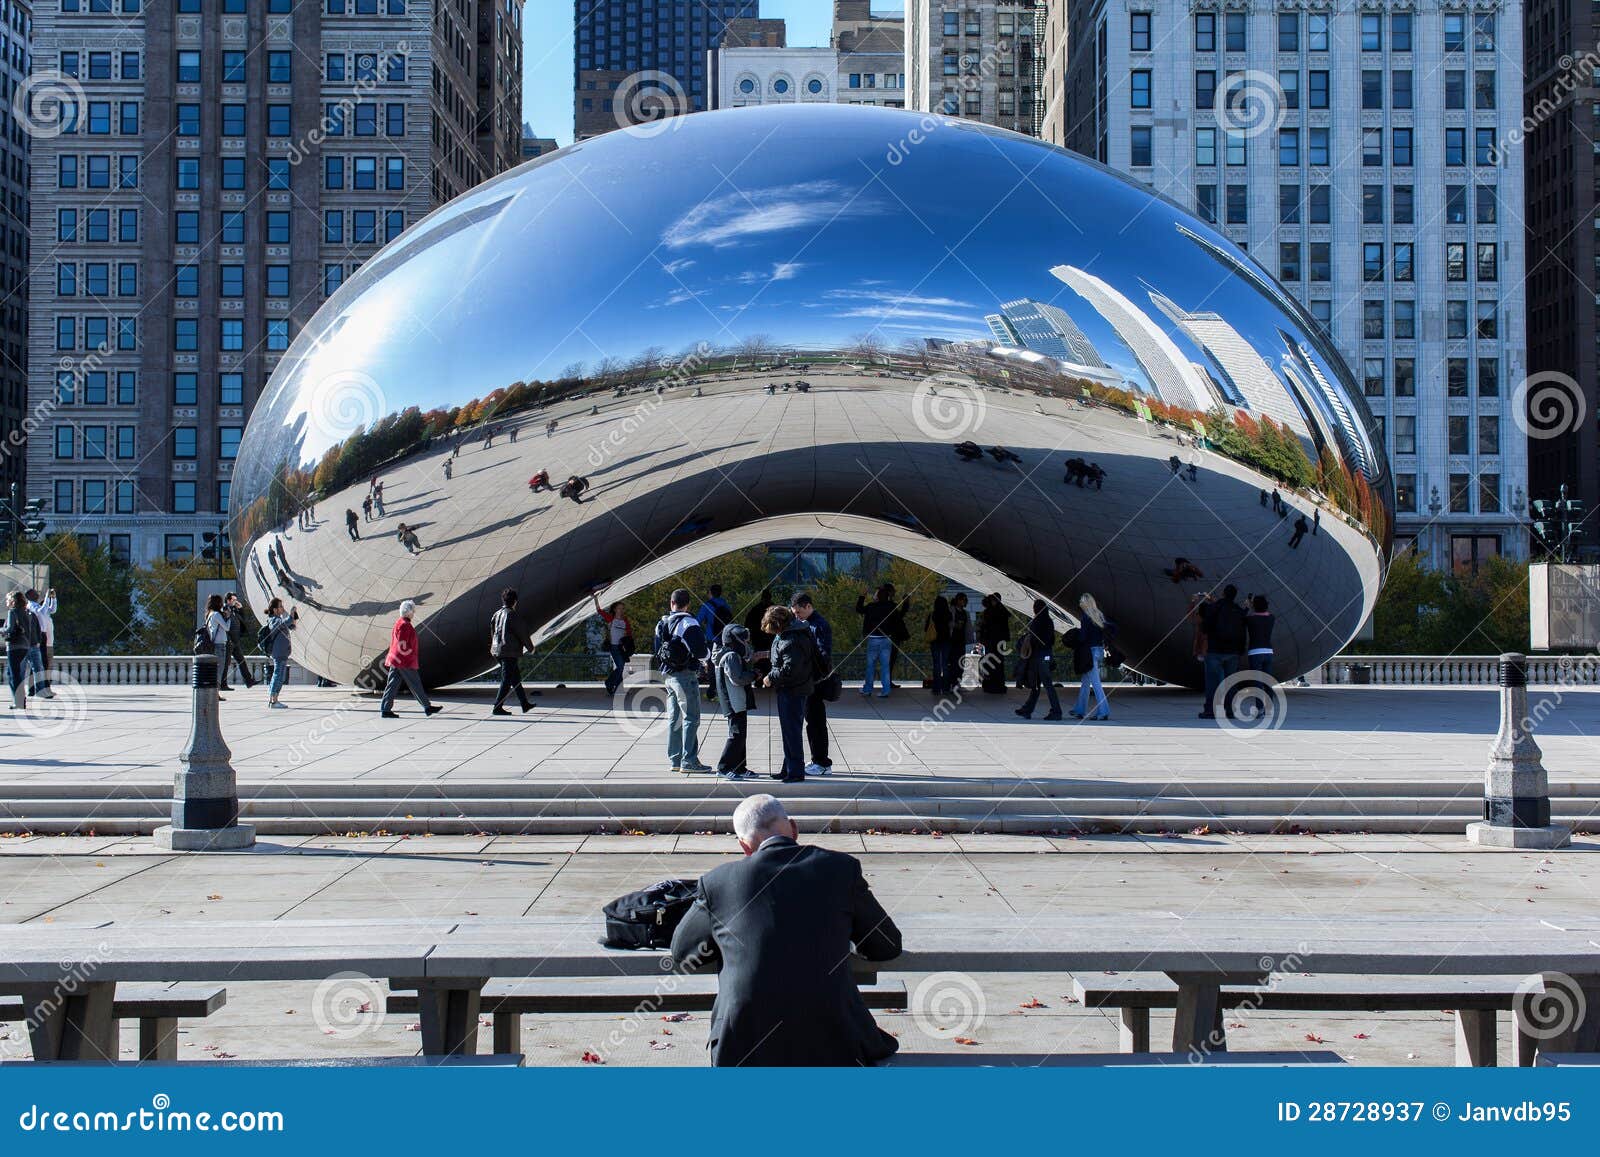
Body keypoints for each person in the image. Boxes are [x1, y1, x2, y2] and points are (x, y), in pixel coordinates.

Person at [668, 795, 902, 1067]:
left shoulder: (718, 882)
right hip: (836, 1043)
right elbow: (886, 944)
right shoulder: (840, 869)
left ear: (744, 846)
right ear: (794, 828)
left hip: (741, 1048)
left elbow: (682, 953)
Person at [654, 588, 710, 774]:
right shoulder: (689, 623)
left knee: (674, 718)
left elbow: (657, 650)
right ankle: (690, 761)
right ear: (688, 604)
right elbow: (701, 652)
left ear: (671, 603)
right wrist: (707, 657)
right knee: (691, 718)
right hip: (685, 675)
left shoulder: (662, 622)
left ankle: (675, 759)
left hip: (668, 676)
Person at [762, 605, 816, 783]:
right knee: (789, 731)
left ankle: (795, 771)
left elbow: (790, 669)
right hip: (792, 688)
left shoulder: (791, 639)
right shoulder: (790, 634)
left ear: (779, 623)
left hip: (792, 689)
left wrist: (770, 677)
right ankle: (788, 768)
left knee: (791, 731)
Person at [791, 592, 833, 777]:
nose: (797, 616)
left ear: (808, 606)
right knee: (812, 722)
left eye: (799, 612)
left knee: (816, 721)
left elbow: (823, 656)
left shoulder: (818, 626)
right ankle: (818, 759)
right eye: (795, 613)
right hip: (810, 680)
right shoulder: (809, 624)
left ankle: (822, 762)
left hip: (814, 681)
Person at [711, 624, 759, 780]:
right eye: (744, 641)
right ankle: (724, 767)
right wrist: (753, 675)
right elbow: (737, 678)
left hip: (737, 701)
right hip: (734, 702)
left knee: (741, 735)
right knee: (736, 735)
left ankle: (739, 767)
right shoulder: (731, 656)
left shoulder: (729, 653)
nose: (746, 644)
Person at [379, 600, 442, 718]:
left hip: (396, 659)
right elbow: (403, 644)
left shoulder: (399, 622)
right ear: (409, 612)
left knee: (392, 685)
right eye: (413, 611)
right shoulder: (405, 625)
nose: (414, 613)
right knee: (415, 683)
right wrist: (409, 656)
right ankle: (427, 707)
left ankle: (385, 709)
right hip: (403, 660)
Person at [1197, 586, 1247, 719]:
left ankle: (1210, 711)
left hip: (1215, 650)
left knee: (1212, 682)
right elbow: (1243, 632)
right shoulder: (1238, 610)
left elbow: (1205, 627)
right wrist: (1240, 650)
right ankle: (1230, 711)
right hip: (1232, 652)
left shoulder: (1214, 607)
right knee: (1230, 683)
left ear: (1223, 594)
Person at [488, 588, 536, 716]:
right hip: (509, 651)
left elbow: (493, 632)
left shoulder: (496, 614)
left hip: (497, 650)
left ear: (503, 600)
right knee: (507, 679)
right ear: (515, 601)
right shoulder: (512, 615)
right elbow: (522, 633)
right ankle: (497, 707)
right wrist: (531, 648)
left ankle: (524, 704)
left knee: (515, 678)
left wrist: (493, 647)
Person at [1069, 593, 1115, 721]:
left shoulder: (1085, 617)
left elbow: (1083, 637)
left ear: (1084, 603)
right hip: (1098, 650)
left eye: (1081, 602)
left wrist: (1076, 635)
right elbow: (1109, 629)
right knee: (1085, 682)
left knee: (1096, 684)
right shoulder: (1099, 615)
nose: (1079, 604)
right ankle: (1079, 710)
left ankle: (1103, 711)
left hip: (1089, 652)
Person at [1014, 598, 1062, 720]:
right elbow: (1051, 640)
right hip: (1046, 654)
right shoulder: (1049, 621)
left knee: (1046, 684)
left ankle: (1056, 712)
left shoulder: (1037, 621)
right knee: (1037, 684)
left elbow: (1033, 639)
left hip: (1038, 656)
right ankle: (1027, 709)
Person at [856, 585, 896, 697]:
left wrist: (862, 596)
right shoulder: (890, 607)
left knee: (870, 665)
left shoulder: (871, 607)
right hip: (886, 639)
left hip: (873, 639)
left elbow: (859, 609)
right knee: (885, 666)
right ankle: (886, 690)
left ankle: (868, 689)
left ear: (877, 597)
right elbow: (896, 613)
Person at [592, 593, 630, 696]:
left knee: (621, 667)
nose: (621, 610)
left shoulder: (625, 620)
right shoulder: (611, 619)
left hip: (621, 647)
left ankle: (617, 689)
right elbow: (599, 611)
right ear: (615, 609)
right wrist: (595, 598)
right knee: (621, 666)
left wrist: (628, 644)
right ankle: (609, 683)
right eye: (619, 608)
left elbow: (629, 634)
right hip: (614, 647)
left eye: (623, 608)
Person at [261, 597, 296, 709]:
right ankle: (273, 700)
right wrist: (290, 615)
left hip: (282, 653)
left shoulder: (278, 619)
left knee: (279, 675)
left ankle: (273, 699)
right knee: (278, 676)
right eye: (280, 606)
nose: (282, 608)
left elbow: (292, 626)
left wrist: (293, 616)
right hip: (279, 653)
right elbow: (283, 624)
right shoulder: (274, 620)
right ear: (275, 609)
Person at [25, 588, 56, 699]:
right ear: (30, 596)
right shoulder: (31, 606)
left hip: (42, 635)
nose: (38, 595)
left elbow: (51, 610)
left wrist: (53, 598)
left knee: (39, 664)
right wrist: (47, 597)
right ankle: (39, 689)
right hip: (38, 635)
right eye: (35, 593)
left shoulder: (37, 605)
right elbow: (42, 611)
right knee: (39, 664)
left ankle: (35, 689)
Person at [221, 592, 256, 690]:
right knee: (226, 663)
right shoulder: (225, 609)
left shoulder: (234, 610)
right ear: (228, 600)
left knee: (241, 661)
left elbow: (242, 620)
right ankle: (223, 684)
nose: (235, 601)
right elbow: (224, 624)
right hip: (228, 641)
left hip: (236, 640)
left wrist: (240, 609)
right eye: (233, 600)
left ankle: (249, 681)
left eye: (236, 599)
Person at [977, 593, 1010, 694]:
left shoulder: (989, 612)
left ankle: (990, 684)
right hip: (999, 641)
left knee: (991, 662)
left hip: (991, 641)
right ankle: (998, 685)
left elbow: (984, 627)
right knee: (998, 663)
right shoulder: (1002, 611)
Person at [5, 591, 32, 709]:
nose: (7, 601)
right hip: (25, 645)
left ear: (12, 600)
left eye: (8, 599)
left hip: (14, 646)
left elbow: (10, 629)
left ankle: (19, 701)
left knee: (14, 674)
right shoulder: (27, 613)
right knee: (14, 673)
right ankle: (20, 700)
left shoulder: (12, 612)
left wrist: (2, 630)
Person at [926, 594, 952, 694]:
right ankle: (946, 688)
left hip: (935, 640)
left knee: (936, 665)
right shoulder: (948, 614)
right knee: (945, 665)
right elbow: (951, 627)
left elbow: (926, 628)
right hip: (946, 640)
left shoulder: (933, 614)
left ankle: (936, 688)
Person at [1245, 595, 1275, 676]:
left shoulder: (1250, 619)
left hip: (1255, 652)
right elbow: (1267, 614)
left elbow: (1243, 617)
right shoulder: (1271, 618)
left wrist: (1248, 607)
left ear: (1254, 606)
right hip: (1268, 651)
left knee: (1256, 679)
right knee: (1268, 679)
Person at [947, 592, 971, 691]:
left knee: (960, 662)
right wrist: (954, 625)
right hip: (952, 640)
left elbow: (968, 627)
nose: (963, 602)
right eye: (962, 600)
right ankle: (951, 682)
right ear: (957, 600)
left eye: (964, 600)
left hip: (961, 640)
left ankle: (957, 682)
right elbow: (948, 623)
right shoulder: (951, 610)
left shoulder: (965, 613)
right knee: (952, 662)